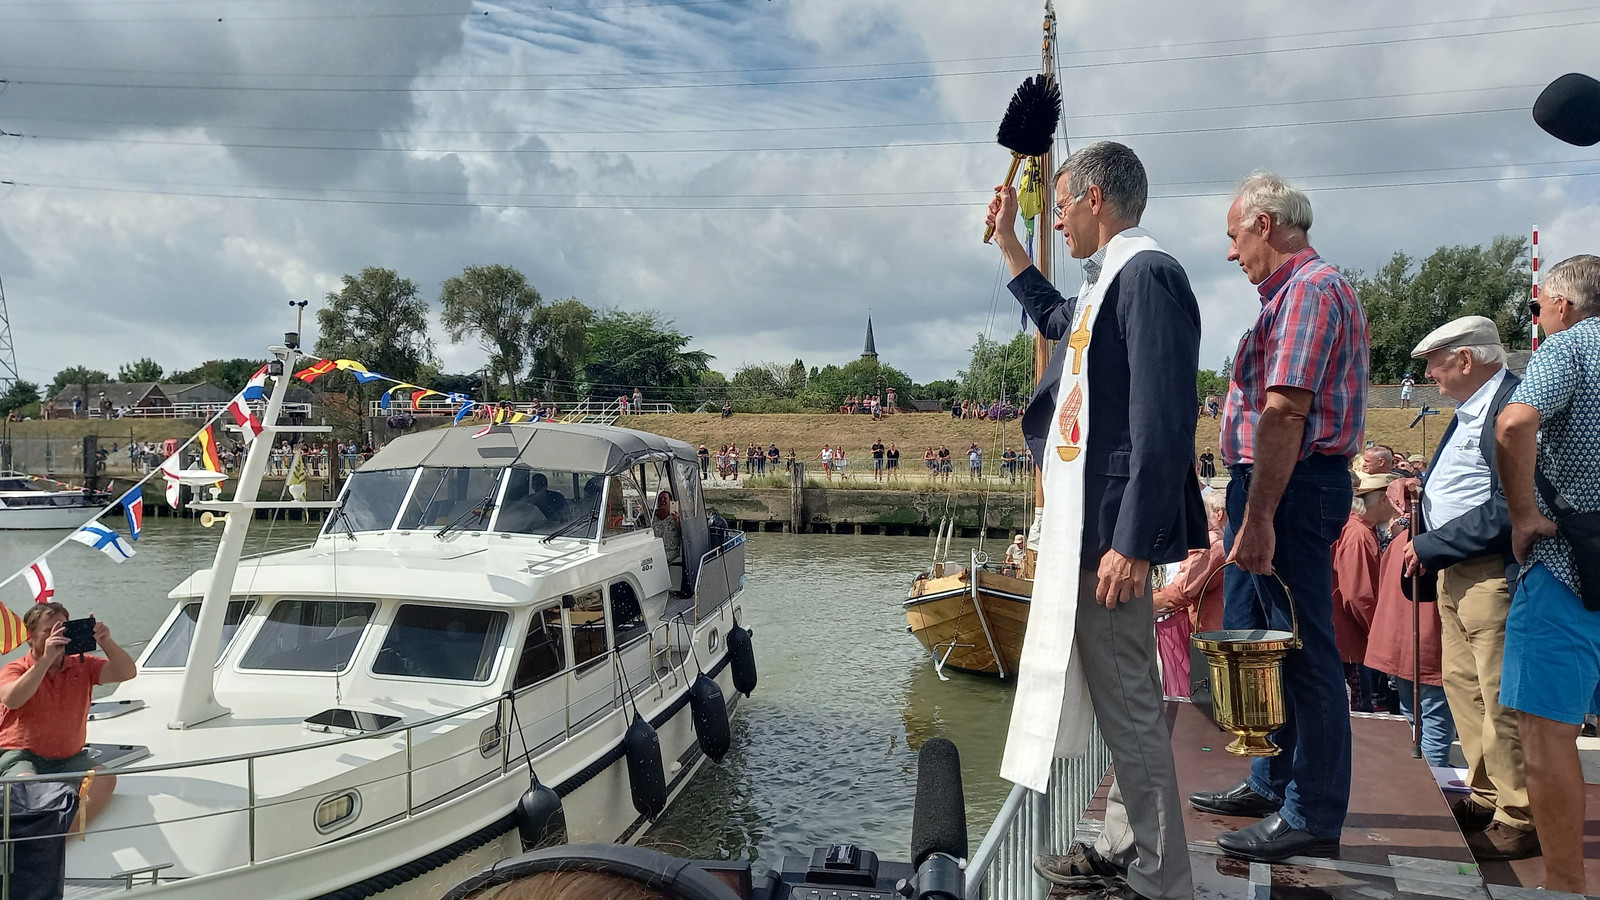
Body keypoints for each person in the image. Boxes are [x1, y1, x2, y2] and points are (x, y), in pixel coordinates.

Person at [989, 141, 1204, 900]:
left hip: (1108, 538)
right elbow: (1054, 314)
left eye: (1059, 203)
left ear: (1093, 199)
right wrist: (1013, 243)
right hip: (1090, 531)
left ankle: (1159, 879)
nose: (1056, 218)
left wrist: (1134, 544)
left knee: (1132, 710)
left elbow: (1164, 423)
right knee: (1123, 705)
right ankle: (1134, 855)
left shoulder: (1149, 275)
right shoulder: (1109, 281)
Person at [1190, 171, 1369, 863]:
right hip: (1270, 488)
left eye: (1234, 235)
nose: (1231, 252)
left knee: (1302, 652)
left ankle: (1312, 813)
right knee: (1261, 640)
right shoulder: (1294, 296)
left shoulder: (1310, 292)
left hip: (1288, 489)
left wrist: (1258, 516)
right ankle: (1273, 780)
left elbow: (1286, 410)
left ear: (1265, 225)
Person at [1400, 315, 1534, 859]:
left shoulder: (1508, 409)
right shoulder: (1473, 410)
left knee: (1499, 697)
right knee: (1466, 689)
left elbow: (1510, 508)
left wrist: (1430, 545)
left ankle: (1519, 814)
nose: (1429, 373)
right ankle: (1485, 795)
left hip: (1489, 576)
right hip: (1460, 575)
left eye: (1435, 362)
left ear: (1465, 359)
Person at [1494, 254, 1600, 893]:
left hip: (1569, 565)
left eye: (1538, 308)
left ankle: (1564, 885)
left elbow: (1515, 421)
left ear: (1560, 305)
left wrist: (1524, 513)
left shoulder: (1570, 349)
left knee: (1546, 732)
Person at [0, 603, 138, 832]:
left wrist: (105, 642)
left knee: (105, 780)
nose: (59, 637)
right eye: (49, 632)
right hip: (21, 756)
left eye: (63, 629)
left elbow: (126, 672)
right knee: (30, 789)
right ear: (30, 639)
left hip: (68, 758)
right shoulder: (15, 669)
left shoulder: (83, 665)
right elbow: (13, 699)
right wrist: (45, 661)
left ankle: (61, 836)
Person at [1366, 515, 1456, 767]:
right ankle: (1430, 784)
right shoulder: (1439, 545)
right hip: (1430, 644)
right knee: (1434, 721)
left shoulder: (1398, 543)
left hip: (1401, 644)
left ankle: (1417, 779)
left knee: (1413, 720)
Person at [1333, 473, 1393, 711]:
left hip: (1346, 639)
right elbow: (1358, 596)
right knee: (1359, 718)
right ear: (1383, 500)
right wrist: (1379, 635)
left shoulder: (1354, 527)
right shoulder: (1358, 534)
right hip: (1350, 642)